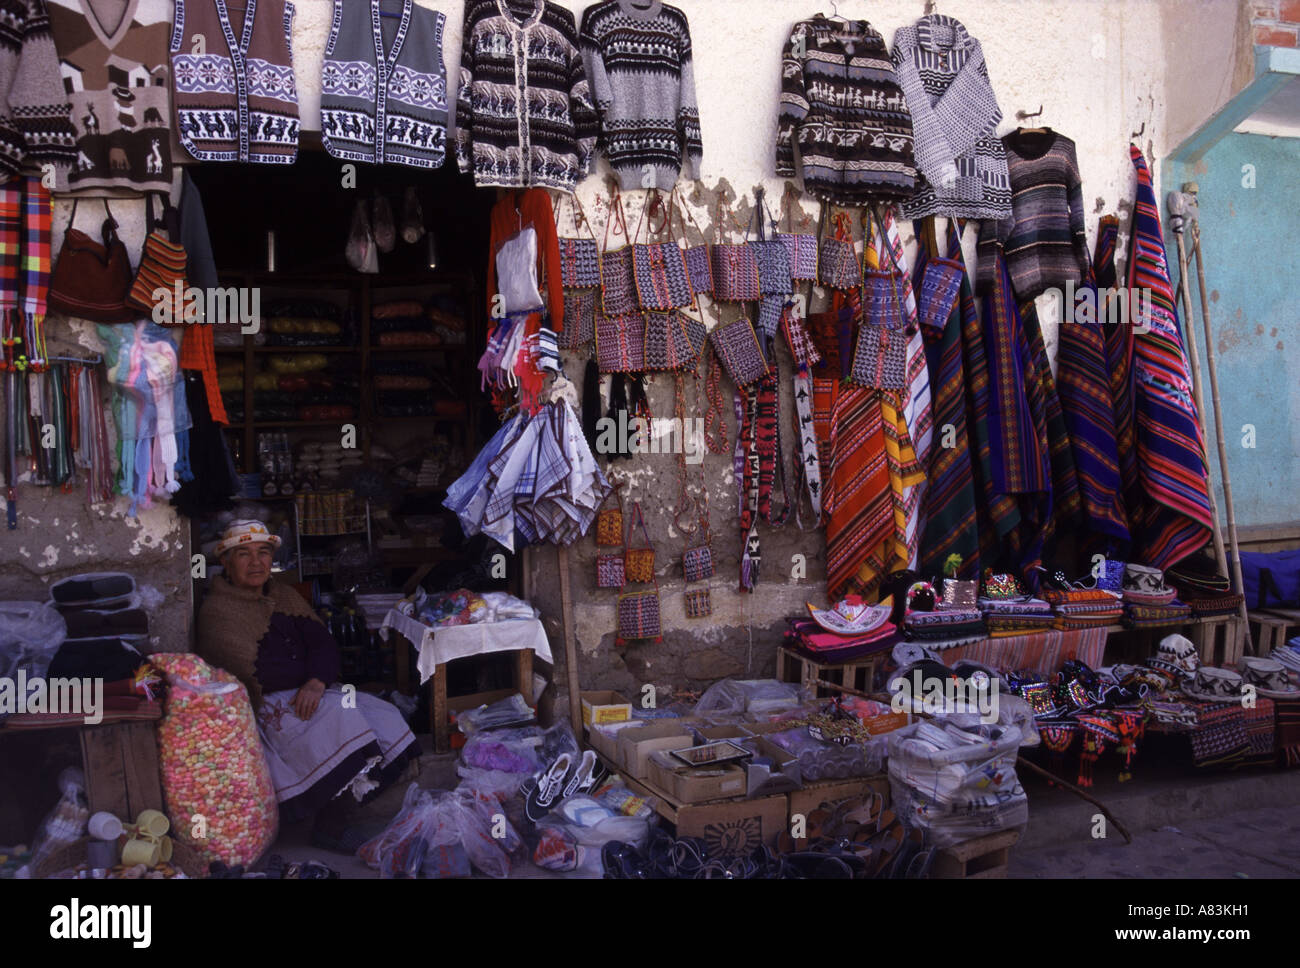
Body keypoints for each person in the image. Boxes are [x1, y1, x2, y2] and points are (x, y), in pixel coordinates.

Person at [197, 519, 419, 850]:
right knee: (341, 719)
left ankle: (339, 810)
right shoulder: (218, 611)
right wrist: (307, 682)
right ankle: (330, 827)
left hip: (311, 691)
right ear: (226, 563)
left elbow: (323, 643)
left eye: (263, 553)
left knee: (382, 713)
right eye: (243, 554)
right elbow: (250, 674)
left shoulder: (285, 594)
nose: (256, 562)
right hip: (263, 704)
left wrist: (316, 680)